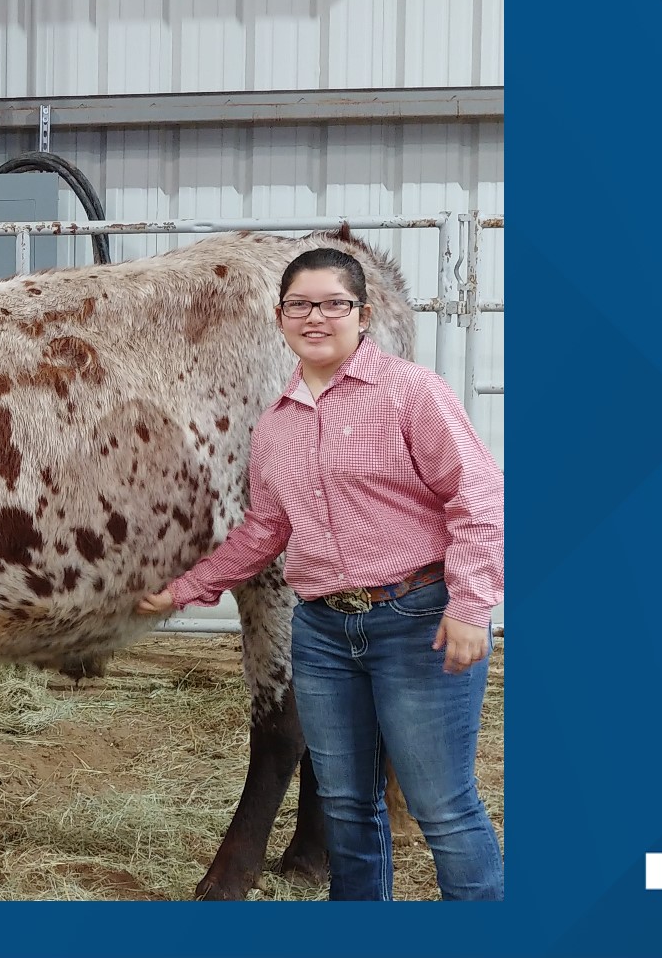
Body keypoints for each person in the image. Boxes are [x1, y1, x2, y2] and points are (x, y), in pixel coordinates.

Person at [138, 246, 504, 901]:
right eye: (300, 305)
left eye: (333, 303)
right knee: (346, 808)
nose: (316, 317)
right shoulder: (275, 425)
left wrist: (472, 606)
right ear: (280, 318)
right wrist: (186, 587)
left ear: (363, 315)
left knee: (441, 805)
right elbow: (265, 532)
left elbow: (478, 498)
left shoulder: (412, 393)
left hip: (415, 617)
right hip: (324, 631)